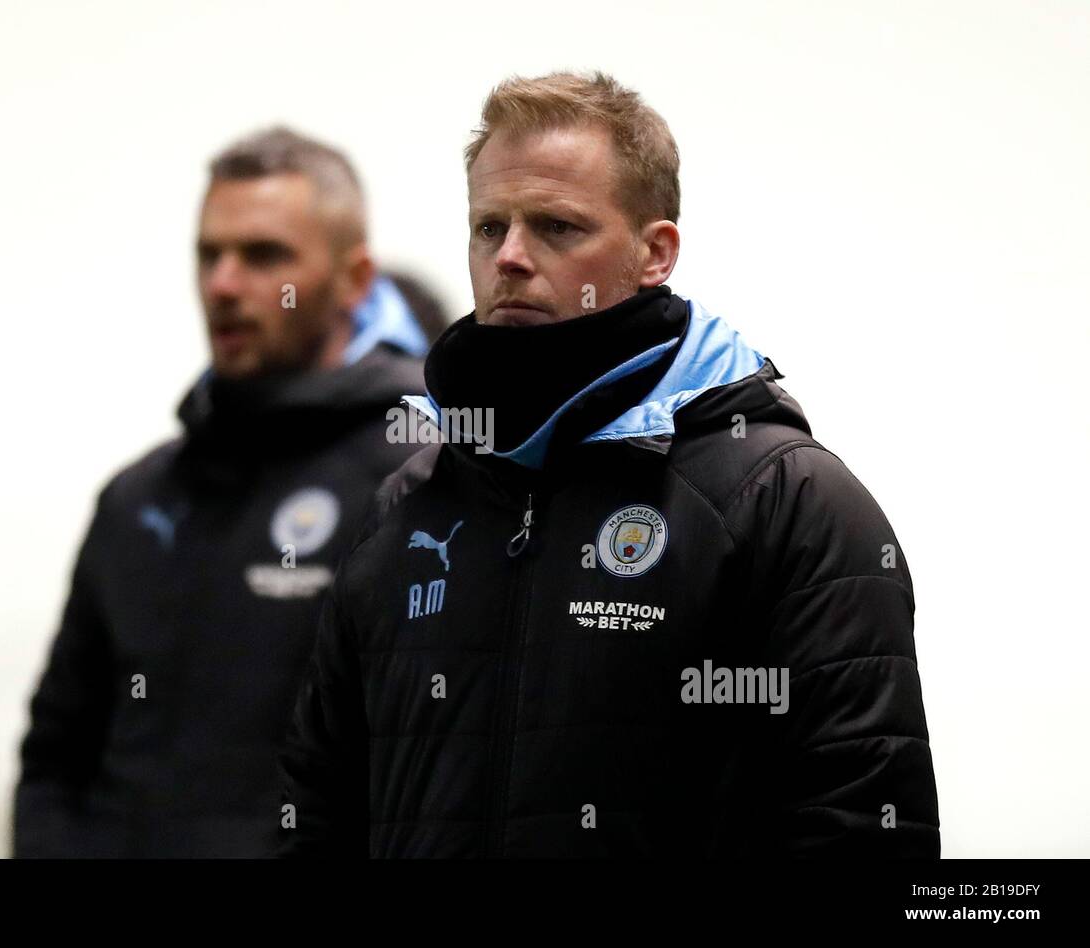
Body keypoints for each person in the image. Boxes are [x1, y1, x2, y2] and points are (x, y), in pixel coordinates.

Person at [275, 72, 940, 858]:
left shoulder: (784, 498)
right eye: (489, 228)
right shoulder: (409, 505)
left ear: (654, 253)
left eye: (556, 227)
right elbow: (316, 819)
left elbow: (861, 828)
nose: (511, 258)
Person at [13, 126, 429, 857]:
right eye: (210, 255)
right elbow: (55, 756)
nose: (225, 284)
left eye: (265, 256)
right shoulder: (138, 498)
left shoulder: (416, 485)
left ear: (354, 280)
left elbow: (426, 779)